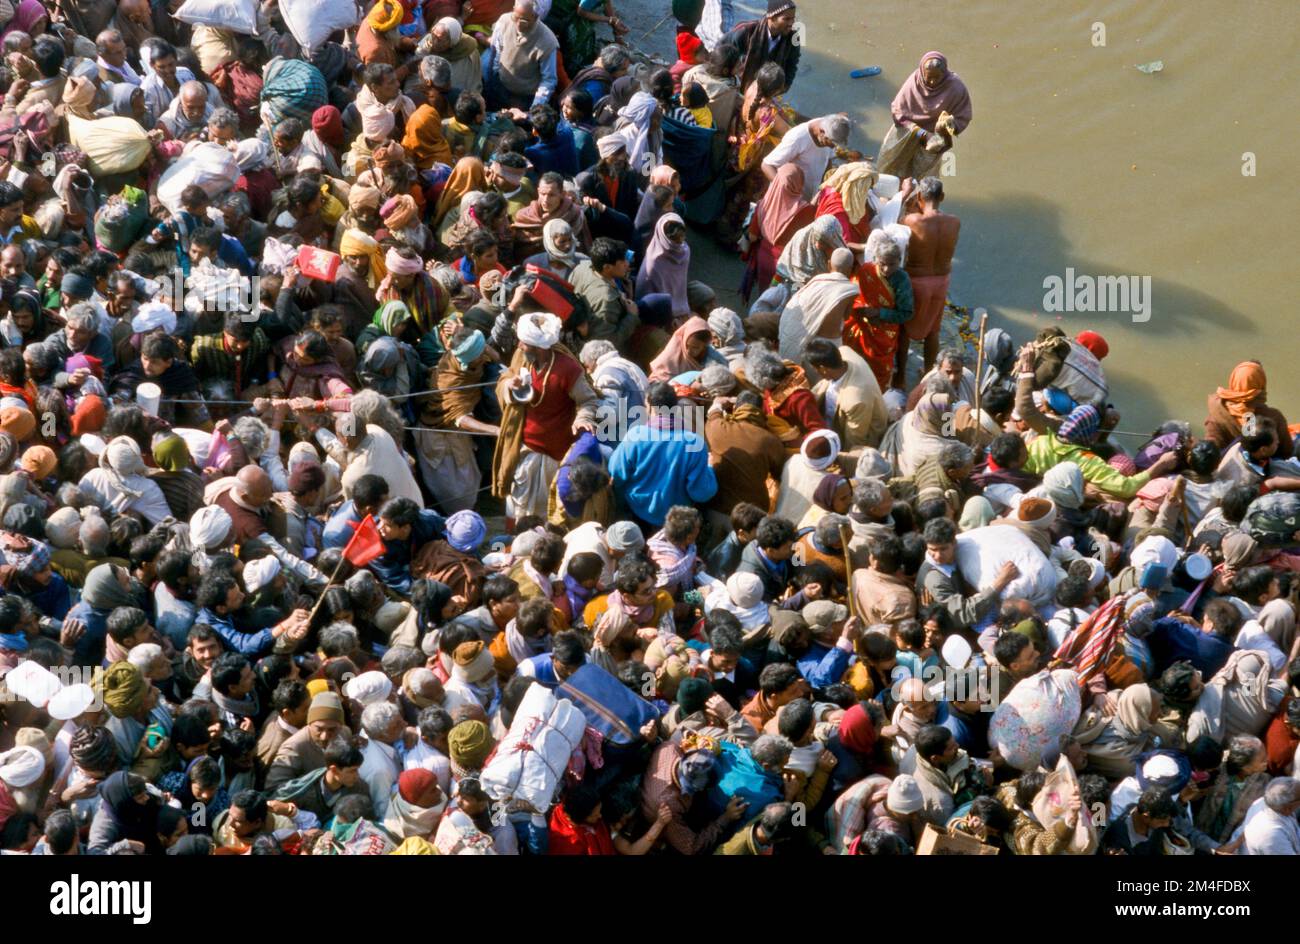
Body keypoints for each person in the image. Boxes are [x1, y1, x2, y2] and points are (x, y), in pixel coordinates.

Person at [897, 176, 961, 386]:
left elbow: (894, 225)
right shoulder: (954, 222)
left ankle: (899, 378)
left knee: (905, 331)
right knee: (933, 330)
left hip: (917, 281)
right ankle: (928, 376)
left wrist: (907, 197)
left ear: (919, 197)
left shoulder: (913, 220)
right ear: (942, 196)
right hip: (942, 280)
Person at [877, 51, 973, 180]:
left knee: (923, 178)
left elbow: (963, 116)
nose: (932, 82)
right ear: (922, 73)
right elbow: (898, 111)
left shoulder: (956, 88)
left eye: (936, 78)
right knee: (888, 169)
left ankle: (917, 197)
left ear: (944, 74)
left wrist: (949, 125)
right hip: (906, 131)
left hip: (933, 139)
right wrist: (921, 133)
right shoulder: (914, 83)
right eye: (929, 78)